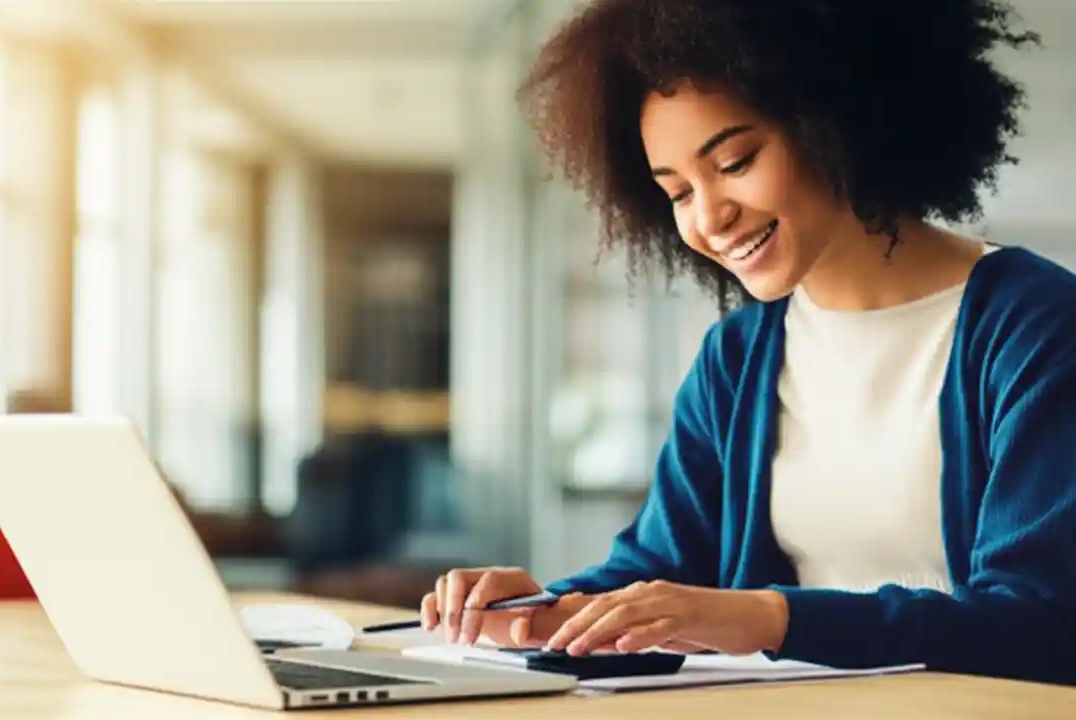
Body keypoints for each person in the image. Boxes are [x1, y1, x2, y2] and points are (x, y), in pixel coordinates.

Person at [422, 0, 1076, 684]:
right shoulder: (737, 358)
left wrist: (767, 617)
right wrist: (540, 609)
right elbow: (661, 574)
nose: (710, 217)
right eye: (676, 192)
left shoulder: (1038, 326)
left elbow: (1041, 622)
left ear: (839, 120)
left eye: (734, 161)